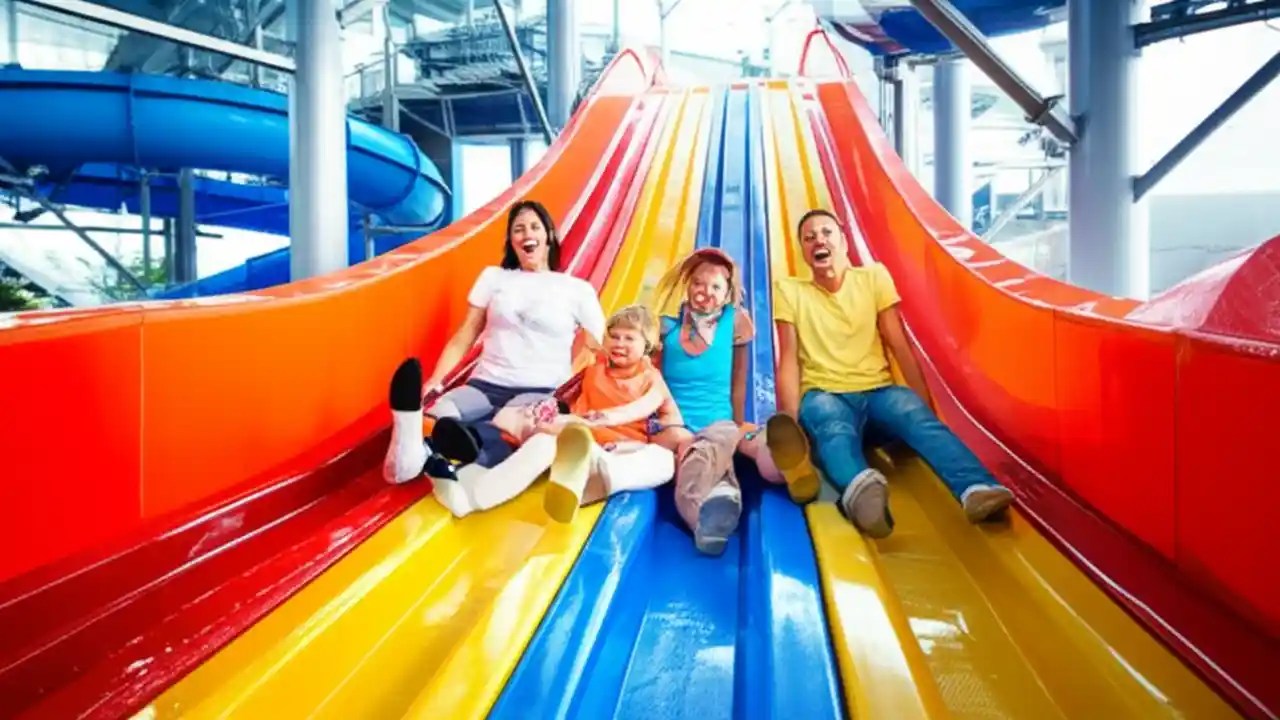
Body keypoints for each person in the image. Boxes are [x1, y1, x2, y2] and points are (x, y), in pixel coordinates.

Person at [772, 208, 1013, 538]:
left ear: (843, 241)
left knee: (909, 411)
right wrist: (792, 427)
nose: (819, 240)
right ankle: (861, 490)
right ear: (803, 251)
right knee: (832, 426)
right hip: (826, 393)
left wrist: (923, 406)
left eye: (827, 233)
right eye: (809, 237)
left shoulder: (873, 278)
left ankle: (976, 488)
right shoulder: (790, 291)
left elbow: (898, 343)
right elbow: (788, 361)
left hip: (878, 394)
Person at [382, 199, 606, 486]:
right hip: (486, 384)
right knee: (440, 414)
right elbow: (466, 334)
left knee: (514, 425)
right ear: (512, 241)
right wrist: (436, 382)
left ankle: (447, 449)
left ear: (549, 235)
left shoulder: (577, 290)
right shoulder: (494, 278)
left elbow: (594, 348)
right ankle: (415, 446)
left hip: (539, 389)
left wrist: (569, 388)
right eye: (518, 230)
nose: (527, 235)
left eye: (534, 227)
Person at [426, 305, 679, 520]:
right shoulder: (595, 369)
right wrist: (542, 413)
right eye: (614, 336)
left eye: (629, 338)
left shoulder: (650, 377)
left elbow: (644, 406)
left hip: (615, 447)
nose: (619, 344)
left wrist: (602, 418)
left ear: (646, 345)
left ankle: (579, 475)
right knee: (542, 443)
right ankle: (471, 498)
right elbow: (563, 393)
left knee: (655, 460)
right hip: (574, 437)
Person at [647, 248, 797, 556]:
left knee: (742, 439)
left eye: (716, 286)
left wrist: (738, 423)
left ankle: (793, 468)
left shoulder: (735, 322)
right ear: (687, 284)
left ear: (728, 292)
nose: (706, 292)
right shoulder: (667, 326)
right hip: (678, 425)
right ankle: (702, 516)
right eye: (699, 283)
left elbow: (739, 379)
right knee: (700, 453)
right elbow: (653, 380)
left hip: (720, 421)